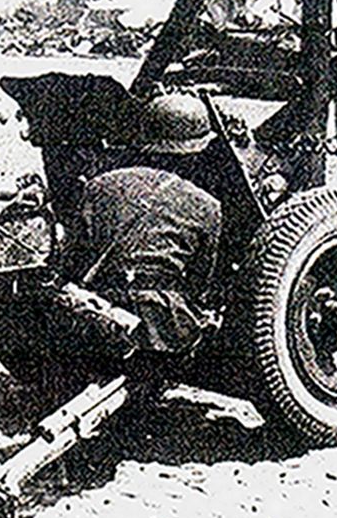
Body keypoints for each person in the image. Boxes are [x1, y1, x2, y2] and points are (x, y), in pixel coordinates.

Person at [63, 92, 223, 361]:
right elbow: (199, 284)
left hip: (93, 314)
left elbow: (76, 256)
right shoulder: (207, 205)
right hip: (161, 327)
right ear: (198, 151)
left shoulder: (100, 185)